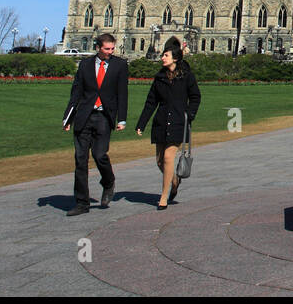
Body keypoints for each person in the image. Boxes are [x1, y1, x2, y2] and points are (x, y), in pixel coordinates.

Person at [62, 34, 128, 216]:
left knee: (99, 155)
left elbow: (123, 93)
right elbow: (76, 93)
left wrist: (121, 119)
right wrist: (67, 118)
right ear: (98, 47)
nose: (110, 52)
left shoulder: (119, 65)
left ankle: (108, 182)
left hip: (104, 117)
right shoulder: (85, 65)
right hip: (84, 115)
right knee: (80, 160)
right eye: (107, 49)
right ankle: (82, 203)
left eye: (112, 49)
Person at [135, 38, 202, 209]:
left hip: (178, 121)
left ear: (175, 58)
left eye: (165, 55)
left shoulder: (187, 76)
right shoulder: (159, 78)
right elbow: (151, 102)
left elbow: (195, 97)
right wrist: (141, 124)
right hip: (161, 120)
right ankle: (174, 180)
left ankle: (163, 197)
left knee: (167, 157)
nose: (162, 57)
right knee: (159, 161)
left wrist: (189, 114)